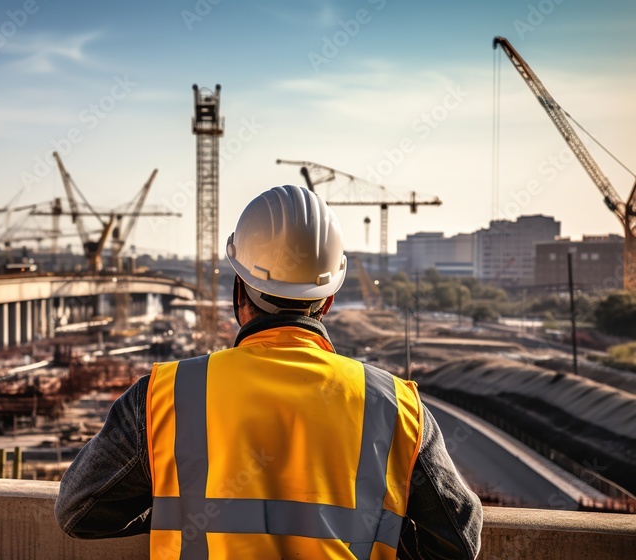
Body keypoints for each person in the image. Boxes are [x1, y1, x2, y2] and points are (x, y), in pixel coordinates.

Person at [55, 185, 482, 559]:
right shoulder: (396, 406)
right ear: (328, 300)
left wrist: (178, 512)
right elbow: (458, 540)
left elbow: (79, 511)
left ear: (238, 288)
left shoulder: (164, 394)